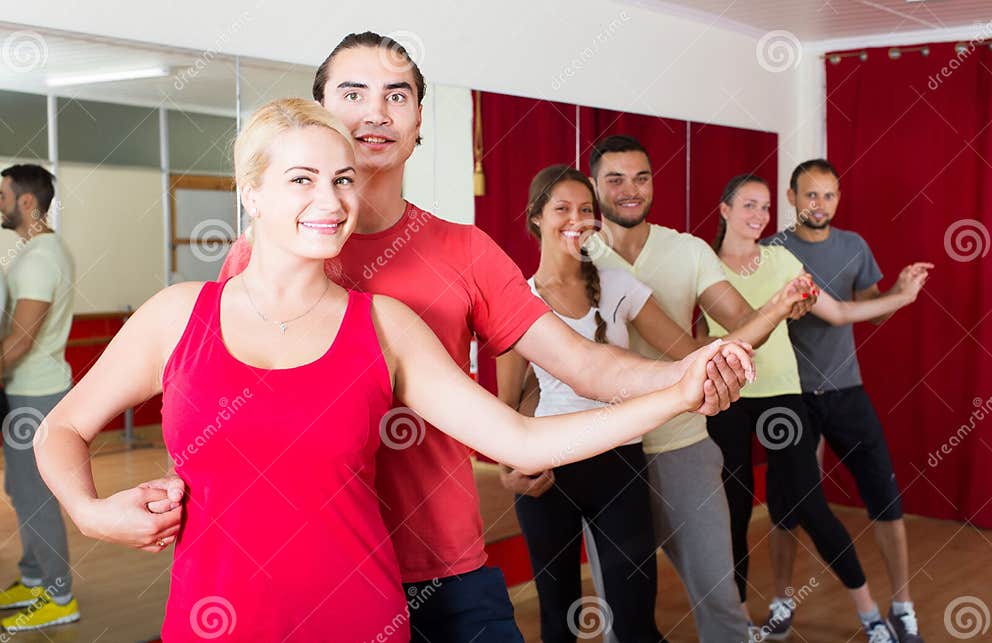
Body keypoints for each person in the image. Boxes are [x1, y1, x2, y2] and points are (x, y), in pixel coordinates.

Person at [32, 98, 745, 642]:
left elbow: (521, 441)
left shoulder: (382, 324)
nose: (330, 198)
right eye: (302, 178)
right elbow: (60, 427)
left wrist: (677, 391)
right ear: (249, 192)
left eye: (342, 178)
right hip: (213, 618)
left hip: (359, 614)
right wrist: (92, 512)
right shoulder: (178, 315)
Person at [196, 33, 754, 642]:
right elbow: (233, 406)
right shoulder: (263, 255)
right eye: (352, 93)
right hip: (309, 564)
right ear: (321, 114)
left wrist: (687, 371)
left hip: (441, 565)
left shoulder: (464, 252)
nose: (376, 112)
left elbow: (586, 365)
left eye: (397, 96)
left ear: (418, 126)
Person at [497, 165, 812, 643]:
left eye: (586, 209)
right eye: (561, 209)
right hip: (550, 468)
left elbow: (691, 358)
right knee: (557, 616)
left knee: (634, 616)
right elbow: (509, 403)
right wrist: (509, 465)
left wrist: (776, 308)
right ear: (536, 217)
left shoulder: (618, 286)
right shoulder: (517, 299)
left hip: (620, 462)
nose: (576, 219)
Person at [700, 173, 930, 641]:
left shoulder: (783, 259)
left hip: (782, 397)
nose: (759, 216)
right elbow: (694, 336)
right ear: (723, 210)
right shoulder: (700, 264)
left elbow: (840, 313)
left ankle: (870, 615)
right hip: (728, 398)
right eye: (748, 205)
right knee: (736, 509)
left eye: (764, 207)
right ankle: (740, 619)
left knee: (809, 504)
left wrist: (902, 298)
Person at [0, 164, 78, 632]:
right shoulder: (39, 250)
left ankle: (58, 594)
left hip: (37, 394)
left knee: (35, 495)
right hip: (26, 390)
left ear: (26, 202)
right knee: (21, 489)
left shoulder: (37, 258)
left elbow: (21, 340)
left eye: (3, 194)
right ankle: (33, 577)